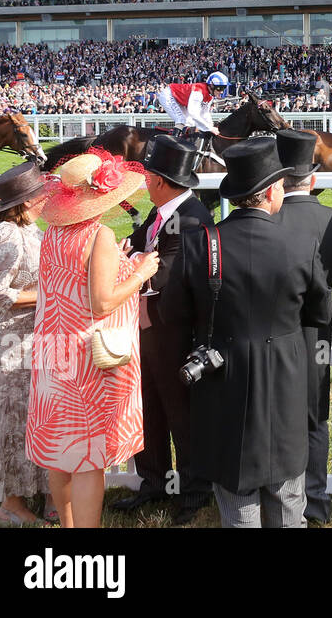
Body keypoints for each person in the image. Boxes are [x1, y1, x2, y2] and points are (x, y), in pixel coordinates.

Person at [181, 136, 328, 528]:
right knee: (287, 487)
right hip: (284, 375)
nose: (283, 189)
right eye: (280, 183)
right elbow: (320, 311)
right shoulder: (300, 243)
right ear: (268, 193)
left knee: (235, 487)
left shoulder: (201, 244)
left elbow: (179, 314)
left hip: (222, 375)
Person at [27, 150, 159, 529]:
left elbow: (71, 281)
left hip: (54, 350)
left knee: (59, 449)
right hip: (88, 358)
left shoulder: (53, 233)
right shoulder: (98, 234)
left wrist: (116, 262)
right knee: (88, 458)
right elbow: (101, 302)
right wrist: (139, 271)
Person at [109, 136, 214, 524]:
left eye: (149, 175)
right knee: (148, 409)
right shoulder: (162, 213)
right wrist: (137, 259)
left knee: (180, 414)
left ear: (160, 180)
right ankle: (153, 481)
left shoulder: (190, 217)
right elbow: (134, 253)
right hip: (149, 331)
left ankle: (192, 491)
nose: (144, 181)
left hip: (175, 333)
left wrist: (134, 262)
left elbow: (162, 274)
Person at [275, 129, 332, 525]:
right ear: (314, 178)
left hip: (275, 327)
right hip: (316, 327)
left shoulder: (269, 216)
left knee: (274, 414)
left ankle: (282, 496)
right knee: (314, 416)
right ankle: (315, 501)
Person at [0, 162, 52, 526]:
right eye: (39, 196)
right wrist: (46, 295)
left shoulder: (31, 230)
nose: (45, 200)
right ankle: (10, 506)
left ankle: (32, 493)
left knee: (26, 419)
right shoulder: (8, 235)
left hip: (25, 341)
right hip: (2, 345)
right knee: (6, 422)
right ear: (23, 203)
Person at [157, 72, 228, 146]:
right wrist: (209, 128)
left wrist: (211, 126)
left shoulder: (210, 96)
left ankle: (183, 142)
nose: (222, 91)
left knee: (190, 123)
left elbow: (205, 113)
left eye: (224, 88)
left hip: (179, 99)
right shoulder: (198, 92)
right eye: (220, 88)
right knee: (181, 120)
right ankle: (172, 145)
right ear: (212, 85)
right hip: (168, 95)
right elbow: (193, 112)